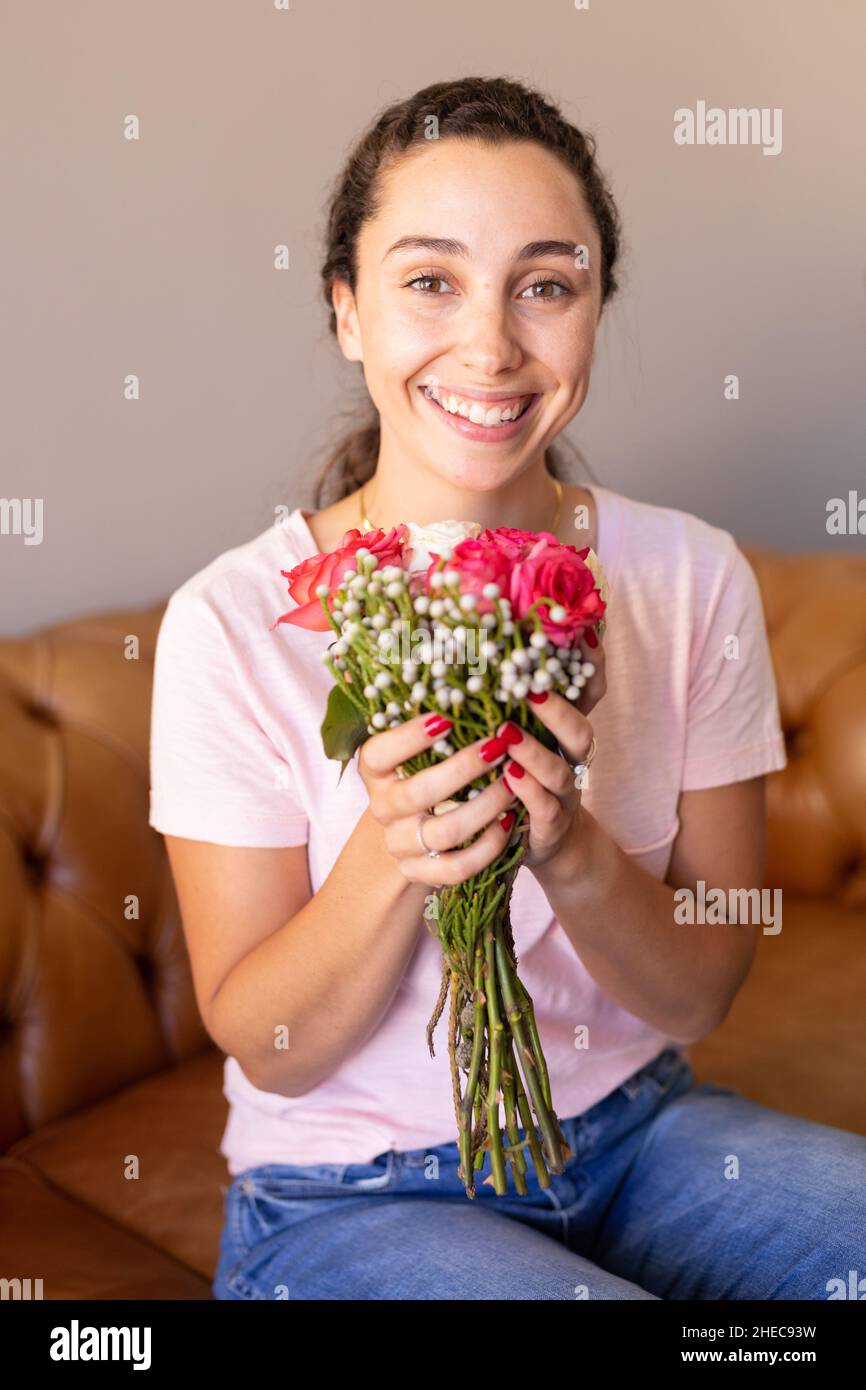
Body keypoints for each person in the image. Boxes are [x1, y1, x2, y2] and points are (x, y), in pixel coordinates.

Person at [148, 76, 865, 1300]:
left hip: (639, 1136)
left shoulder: (689, 578)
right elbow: (271, 1049)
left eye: (545, 283)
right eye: (429, 280)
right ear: (347, 313)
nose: (489, 344)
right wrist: (397, 845)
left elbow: (699, 994)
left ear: (593, 312)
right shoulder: (231, 620)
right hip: (340, 1200)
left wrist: (570, 846)